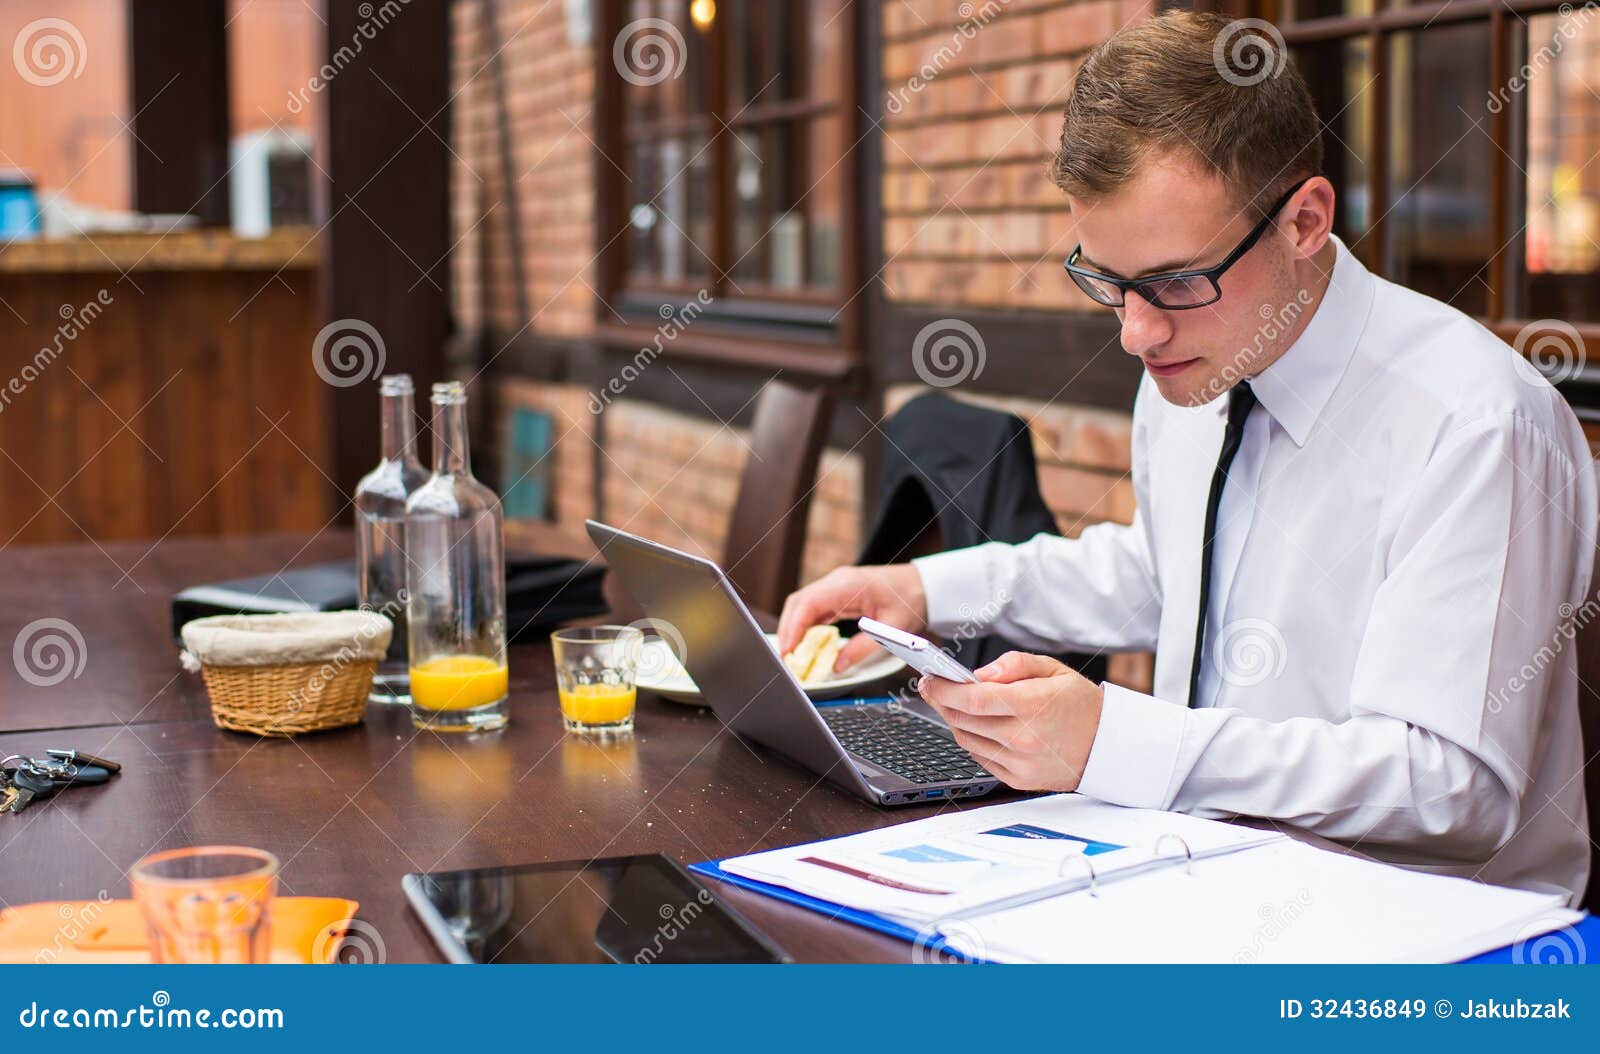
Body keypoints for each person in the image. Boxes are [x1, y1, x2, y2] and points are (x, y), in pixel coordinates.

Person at [778, 11, 1597, 904]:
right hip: (1190, 889)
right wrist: (929, 592)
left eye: (1173, 282)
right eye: (1107, 282)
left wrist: (1114, 743)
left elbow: (1454, 786)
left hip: (1428, 942)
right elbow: (1167, 572)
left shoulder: (1478, 423)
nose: (1135, 331)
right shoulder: (1193, 356)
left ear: (1305, 221)